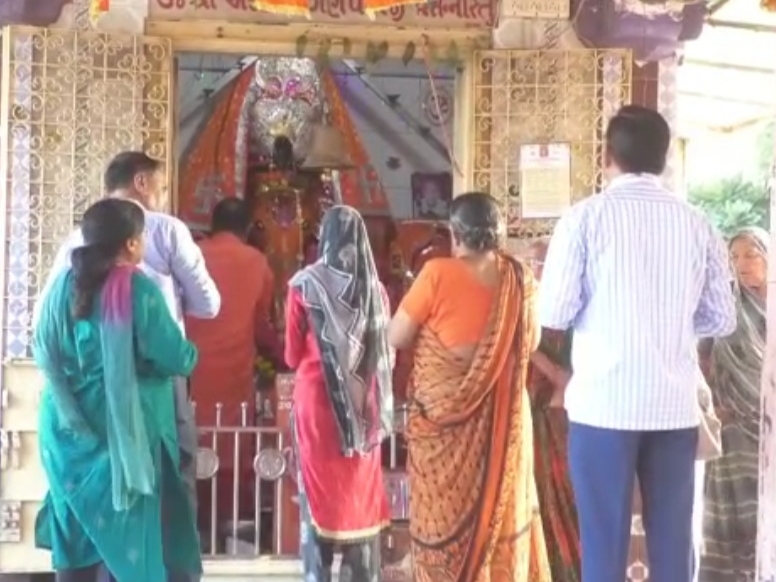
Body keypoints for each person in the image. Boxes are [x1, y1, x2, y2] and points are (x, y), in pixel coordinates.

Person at [538, 104, 737, 582]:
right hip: (672, 408)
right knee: (672, 549)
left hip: (604, 407)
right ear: (665, 158)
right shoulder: (697, 223)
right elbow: (722, 318)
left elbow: (554, 314)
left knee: (604, 548)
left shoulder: (584, 219)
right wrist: (670, 323)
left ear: (607, 155)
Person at [34, 152, 220, 582]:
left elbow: (43, 345)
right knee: (134, 525)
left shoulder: (62, 283)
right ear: (133, 243)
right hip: (126, 425)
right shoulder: (136, 288)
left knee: (77, 524)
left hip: (66, 429)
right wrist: (188, 353)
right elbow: (177, 354)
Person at [388, 192, 550, 582]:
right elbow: (530, 343)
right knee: (502, 510)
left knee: (442, 522)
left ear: (454, 235)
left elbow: (396, 336)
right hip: (503, 423)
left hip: (444, 425)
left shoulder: (436, 273)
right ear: (500, 234)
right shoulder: (519, 279)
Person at [284, 205, 393, 582]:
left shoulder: (303, 285)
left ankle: (317, 573)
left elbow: (290, 353)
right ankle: (361, 573)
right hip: (363, 405)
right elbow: (385, 352)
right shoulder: (375, 289)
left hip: (316, 400)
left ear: (323, 238)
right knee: (358, 488)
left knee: (316, 487)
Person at [185, 198, 274, 527]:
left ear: (212, 223)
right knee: (230, 447)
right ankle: (228, 523)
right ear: (248, 228)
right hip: (234, 376)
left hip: (189, 372)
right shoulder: (256, 261)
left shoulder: (192, 255)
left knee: (192, 442)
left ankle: (191, 524)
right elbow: (263, 326)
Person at [700, 227, 768, 582]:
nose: (742, 264)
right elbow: (701, 357)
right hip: (732, 426)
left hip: (769, 428)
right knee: (734, 518)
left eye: (750, 255)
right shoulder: (725, 303)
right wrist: (713, 404)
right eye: (735, 256)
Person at [524, 237, 580, 582]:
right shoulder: (526, 308)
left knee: (564, 508)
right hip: (526, 419)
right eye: (530, 264)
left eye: (542, 263)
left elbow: (568, 378)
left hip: (561, 421)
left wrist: (530, 349)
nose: (535, 271)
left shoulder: (574, 313)